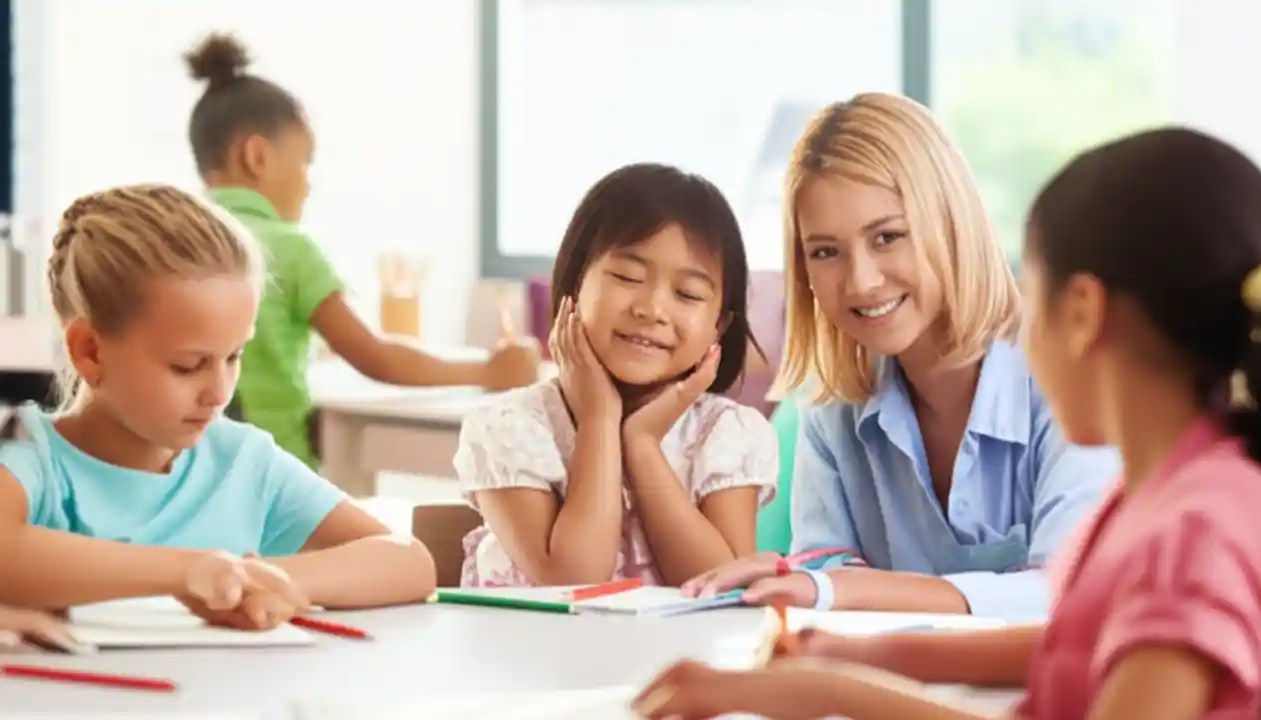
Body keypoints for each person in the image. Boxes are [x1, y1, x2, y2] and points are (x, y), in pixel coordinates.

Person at [635, 127, 1261, 719]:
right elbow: (1073, 648)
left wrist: (829, 691)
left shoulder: (1196, 528)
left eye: (1031, 292)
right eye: (826, 253)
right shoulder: (1169, 496)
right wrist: (857, 655)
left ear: (1081, 313)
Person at [684, 93, 1115, 618]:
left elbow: (1069, 594)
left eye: (888, 237)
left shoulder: (1069, 374)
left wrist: (839, 590)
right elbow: (824, 564)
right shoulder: (831, 401)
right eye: (825, 252)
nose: (862, 281)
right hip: (891, 684)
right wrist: (823, 585)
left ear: (950, 223)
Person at [0, 185, 436, 626]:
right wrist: (188, 573)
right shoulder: (30, 457)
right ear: (91, 351)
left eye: (234, 357)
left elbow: (409, 561)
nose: (219, 391)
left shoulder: (242, 462)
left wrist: (258, 579)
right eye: (188, 366)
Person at [184, 33, 539, 468]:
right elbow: (374, 355)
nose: (308, 182)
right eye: (304, 162)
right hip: (272, 474)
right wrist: (488, 372)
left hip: (188, 473)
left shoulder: (175, 235)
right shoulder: (285, 249)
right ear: (256, 156)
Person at [454, 163, 779, 587]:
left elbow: (719, 586)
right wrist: (599, 419)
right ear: (574, 283)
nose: (651, 309)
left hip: (677, 654)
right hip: (531, 651)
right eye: (627, 277)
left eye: (688, 294)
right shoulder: (510, 427)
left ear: (719, 325)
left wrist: (642, 445)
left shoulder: (726, 433)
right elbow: (573, 580)